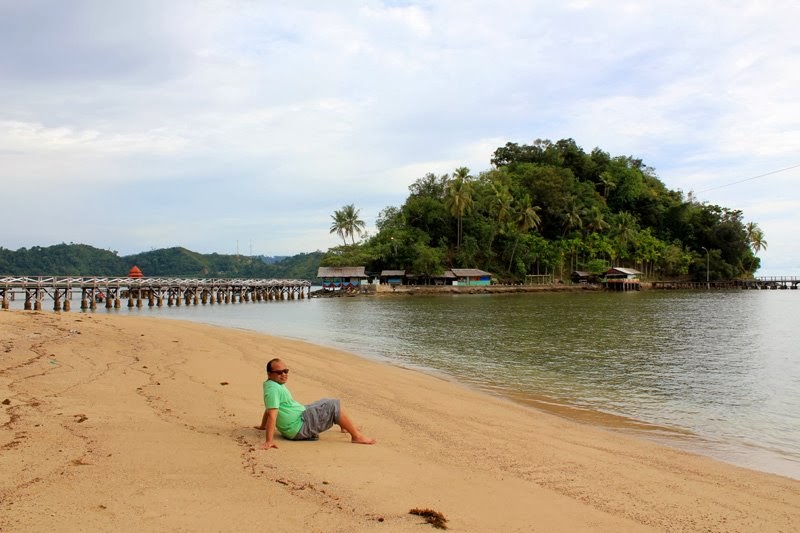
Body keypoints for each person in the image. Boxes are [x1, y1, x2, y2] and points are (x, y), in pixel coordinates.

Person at [255, 358, 376, 450]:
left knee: (326, 401)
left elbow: (269, 408)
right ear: (269, 374)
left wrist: (262, 426)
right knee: (333, 405)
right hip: (298, 427)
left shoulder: (272, 385)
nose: (284, 374)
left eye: (286, 371)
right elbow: (272, 413)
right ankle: (356, 436)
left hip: (299, 417)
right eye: (279, 372)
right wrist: (269, 441)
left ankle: (346, 426)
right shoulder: (273, 389)